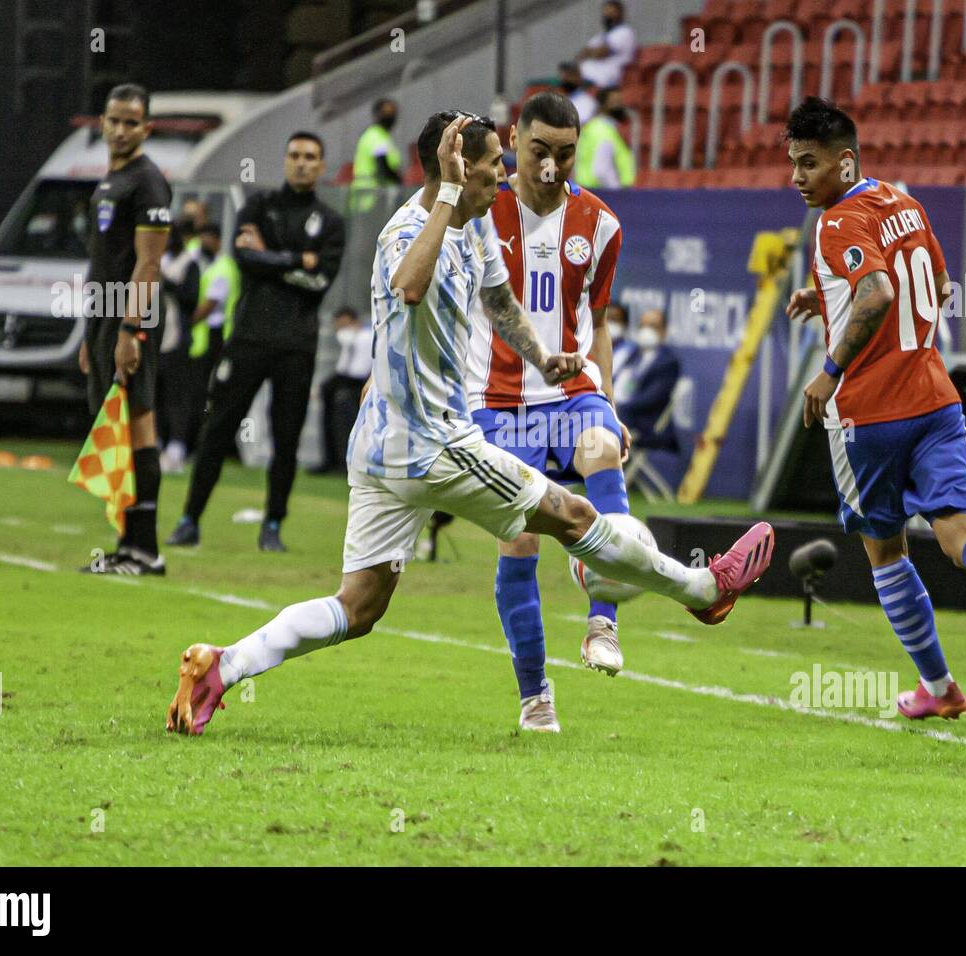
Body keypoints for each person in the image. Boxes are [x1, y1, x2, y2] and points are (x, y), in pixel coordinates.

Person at [166, 112, 774, 737]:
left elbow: (500, 302)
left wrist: (545, 358)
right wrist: (449, 197)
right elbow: (407, 285)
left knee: (360, 605)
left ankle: (223, 666)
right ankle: (705, 589)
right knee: (573, 518)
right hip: (434, 444)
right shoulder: (408, 231)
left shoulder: (476, 226)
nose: (505, 174)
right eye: (493, 164)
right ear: (456, 167)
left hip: (384, 449)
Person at [784, 97, 966, 720]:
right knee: (962, 534)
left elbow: (876, 292)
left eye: (810, 164)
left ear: (845, 163)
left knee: (885, 551)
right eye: (793, 164)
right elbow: (935, 285)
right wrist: (824, 295)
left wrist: (829, 372)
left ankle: (938, 687)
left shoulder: (834, 222)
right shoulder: (904, 203)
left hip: (869, 415)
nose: (797, 178)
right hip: (935, 398)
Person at [467, 91, 631, 732]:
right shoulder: (479, 213)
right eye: (538, 151)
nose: (549, 167)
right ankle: (535, 693)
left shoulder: (601, 225)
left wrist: (610, 405)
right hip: (498, 402)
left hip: (569, 390)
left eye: (565, 155)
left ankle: (603, 621)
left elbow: (600, 325)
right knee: (522, 538)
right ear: (513, 138)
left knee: (601, 449)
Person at [167, 132, 345, 553]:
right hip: (248, 337)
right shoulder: (258, 206)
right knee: (216, 431)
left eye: (311, 157)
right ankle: (189, 519)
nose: (302, 163)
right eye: (295, 155)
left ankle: (272, 526)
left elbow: (320, 281)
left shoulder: (331, 221)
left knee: (286, 441)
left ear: (321, 166)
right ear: (285, 160)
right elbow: (245, 257)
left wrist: (272, 259)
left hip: (296, 345)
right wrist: (297, 260)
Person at [78, 83, 171, 576]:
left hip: (130, 318)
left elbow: (148, 265)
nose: (120, 129)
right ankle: (125, 546)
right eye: (113, 120)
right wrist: (88, 336)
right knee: (113, 429)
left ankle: (146, 552)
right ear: (102, 122)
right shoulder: (109, 181)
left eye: (130, 122)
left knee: (138, 425)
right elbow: (102, 262)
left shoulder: (148, 181)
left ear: (146, 128)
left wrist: (130, 331)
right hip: (103, 318)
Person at [182, 223, 240, 458]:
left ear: (217, 241)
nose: (203, 242)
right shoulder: (207, 263)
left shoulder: (223, 269)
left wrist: (185, 323)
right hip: (204, 337)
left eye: (208, 238)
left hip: (216, 338)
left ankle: (200, 444)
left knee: (204, 394)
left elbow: (209, 305)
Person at [157, 219, 202, 473]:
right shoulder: (152, 261)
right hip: (153, 337)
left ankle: (176, 448)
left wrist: (168, 282)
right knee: (154, 394)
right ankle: (155, 443)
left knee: (176, 397)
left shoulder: (188, 264)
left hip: (176, 339)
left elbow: (191, 298)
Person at [314, 306, 373, 475]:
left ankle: (344, 462)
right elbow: (342, 369)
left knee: (346, 420)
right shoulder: (350, 341)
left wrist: (352, 341)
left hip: (357, 386)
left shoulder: (364, 338)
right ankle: (330, 460)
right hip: (347, 382)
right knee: (330, 415)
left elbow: (358, 371)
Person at [616, 308, 680, 452]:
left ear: (663, 331)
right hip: (622, 414)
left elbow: (651, 399)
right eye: (643, 326)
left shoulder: (667, 362)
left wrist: (616, 407)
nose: (646, 331)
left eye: (652, 326)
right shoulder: (633, 354)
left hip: (644, 423)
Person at [575, 87, 635, 189]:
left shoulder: (594, 127)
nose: (619, 106)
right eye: (614, 102)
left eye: (620, 102)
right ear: (602, 106)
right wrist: (617, 193)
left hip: (588, 189)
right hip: (601, 191)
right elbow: (601, 170)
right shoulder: (603, 131)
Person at [351, 98, 403, 213]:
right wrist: (399, 181)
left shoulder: (381, 136)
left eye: (392, 113)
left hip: (371, 198)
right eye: (386, 113)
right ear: (377, 115)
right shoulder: (375, 135)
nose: (390, 116)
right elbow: (382, 165)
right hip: (372, 198)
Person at [576, 1, 636, 90]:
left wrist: (592, 53)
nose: (607, 15)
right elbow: (580, 55)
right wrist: (592, 52)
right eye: (605, 12)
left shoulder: (625, 32)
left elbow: (601, 53)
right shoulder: (600, 35)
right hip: (585, 79)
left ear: (620, 14)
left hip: (607, 80)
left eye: (611, 12)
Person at [557, 61, 597, 125]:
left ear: (579, 77)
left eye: (569, 75)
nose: (565, 79)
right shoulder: (557, 99)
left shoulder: (587, 101)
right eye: (563, 75)